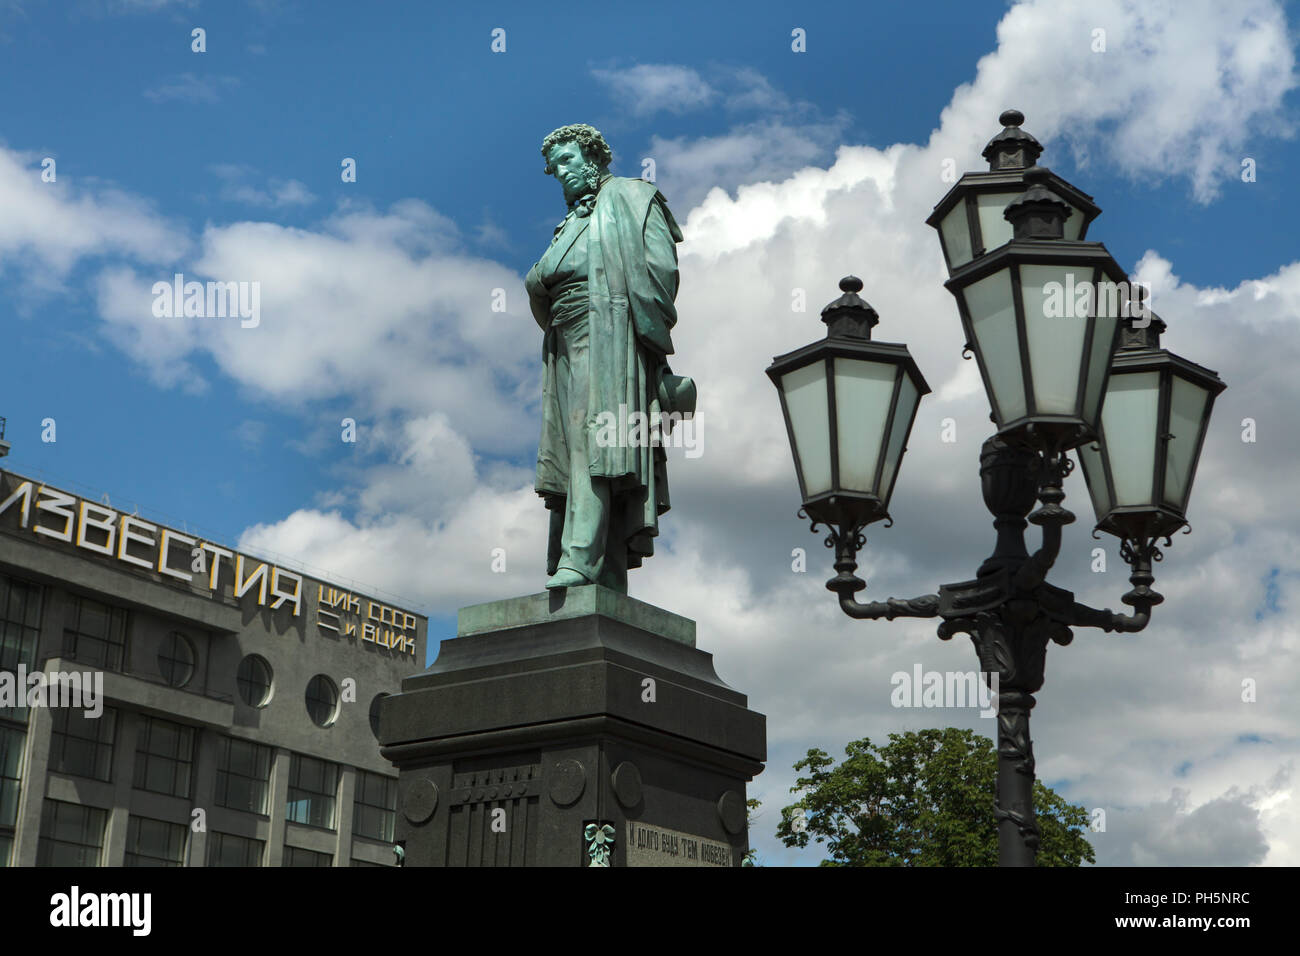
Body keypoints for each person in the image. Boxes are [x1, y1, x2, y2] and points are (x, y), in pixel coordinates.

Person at [523, 124, 690, 592]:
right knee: (573, 448)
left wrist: (642, 339)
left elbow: (661, 270)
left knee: (594, 444)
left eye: (567, 161)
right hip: (563, 340)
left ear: (593, 156)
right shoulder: (568, 223)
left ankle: (580, 557)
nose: (559, 173)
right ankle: (607, 566)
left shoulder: (633, 198)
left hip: (610, 334)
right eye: (553, 168)